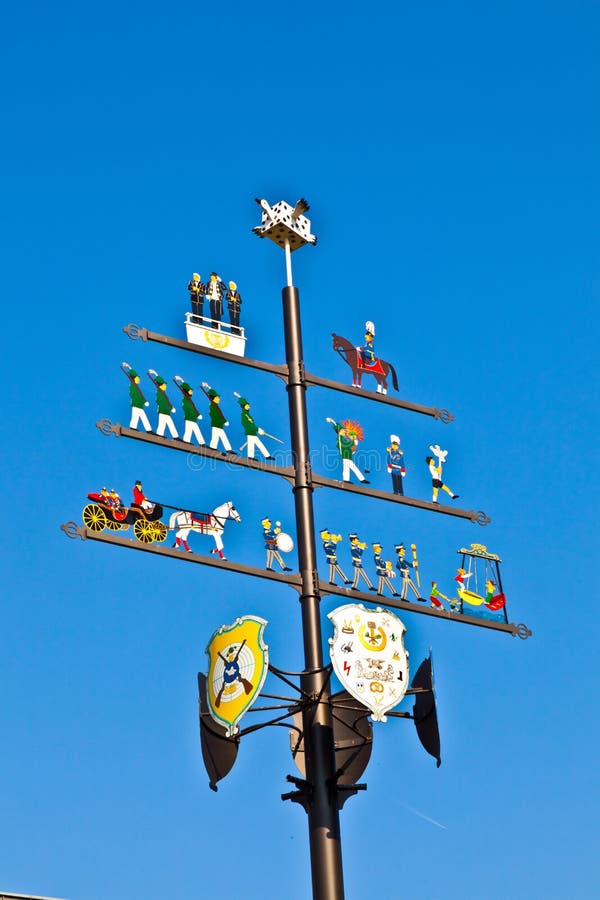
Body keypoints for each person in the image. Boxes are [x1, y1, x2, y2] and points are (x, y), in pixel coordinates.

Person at [326, 418, 369, 484]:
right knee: (349, 468)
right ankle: (355, 479)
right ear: (339, 431)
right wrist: (332, 421)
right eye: (343, 430)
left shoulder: (342, 439)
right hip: (345, 456)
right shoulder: (340, 439)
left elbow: (349, 449)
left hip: (348, 456)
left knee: (351, 468)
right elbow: (346, 445)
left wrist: (354, 446)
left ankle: (359, 479)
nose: (344, 432)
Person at [237, 395, 275, 460]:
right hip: (250, 432)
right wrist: (258, 429)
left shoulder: (247, 414)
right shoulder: (244, 415)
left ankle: (263, 456)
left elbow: (251, 424)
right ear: (244, 406)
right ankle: (265, 456)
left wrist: (257, 429)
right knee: (256, 445)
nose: (249, 406)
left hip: (252, 432)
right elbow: (248, 425)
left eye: (248, 405)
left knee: (255, 444)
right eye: (247, 405)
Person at [200, 382, 233, 453]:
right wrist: (223, 422)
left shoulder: (215, 406)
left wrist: (208, 387)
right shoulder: (213, 406)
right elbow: (216, 416)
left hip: (219, 425)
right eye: (217, 398)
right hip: (216, 424)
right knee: (219, 437)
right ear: (213, 398)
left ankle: (218, 448)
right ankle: (224, 449)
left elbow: (220, 415)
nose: (219, 399)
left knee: (219, 437)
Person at [174, 377, 205, 445]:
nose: (192, 392)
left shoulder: (189, 400)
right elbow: (190, 409)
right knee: (194, 430)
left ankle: (187, 441)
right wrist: (197, 415)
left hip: (191, 418)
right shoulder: (186, 400)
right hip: (190, 417)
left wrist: (182, 380)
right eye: (190, 391)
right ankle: (201, 443)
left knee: (190, 430)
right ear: (187, 391)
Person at [148, 372, 178, 438]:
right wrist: (170, 408)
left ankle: (173, 436)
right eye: (164, 385)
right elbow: (163, 403)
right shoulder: (159, 393)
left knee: (167, 424)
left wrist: (156, 374)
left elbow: (167, 402)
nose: (165, 386)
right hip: (163, 411)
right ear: (161, 385)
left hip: (166, 412)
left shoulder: (163, 393)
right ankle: (162, 435)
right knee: (165, 424)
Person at [124, 366, 152, 432]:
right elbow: (135, 396)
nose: (139, 379)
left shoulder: (136, 386)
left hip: (139, 405)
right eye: (137, 378)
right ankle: (146, 429)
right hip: (136, 404)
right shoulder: (133, 386)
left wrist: (129, 367)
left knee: (141, 417)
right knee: (138, 417)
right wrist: (143, 402)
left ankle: (147, 429)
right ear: (134, 379)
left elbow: (140, 396)